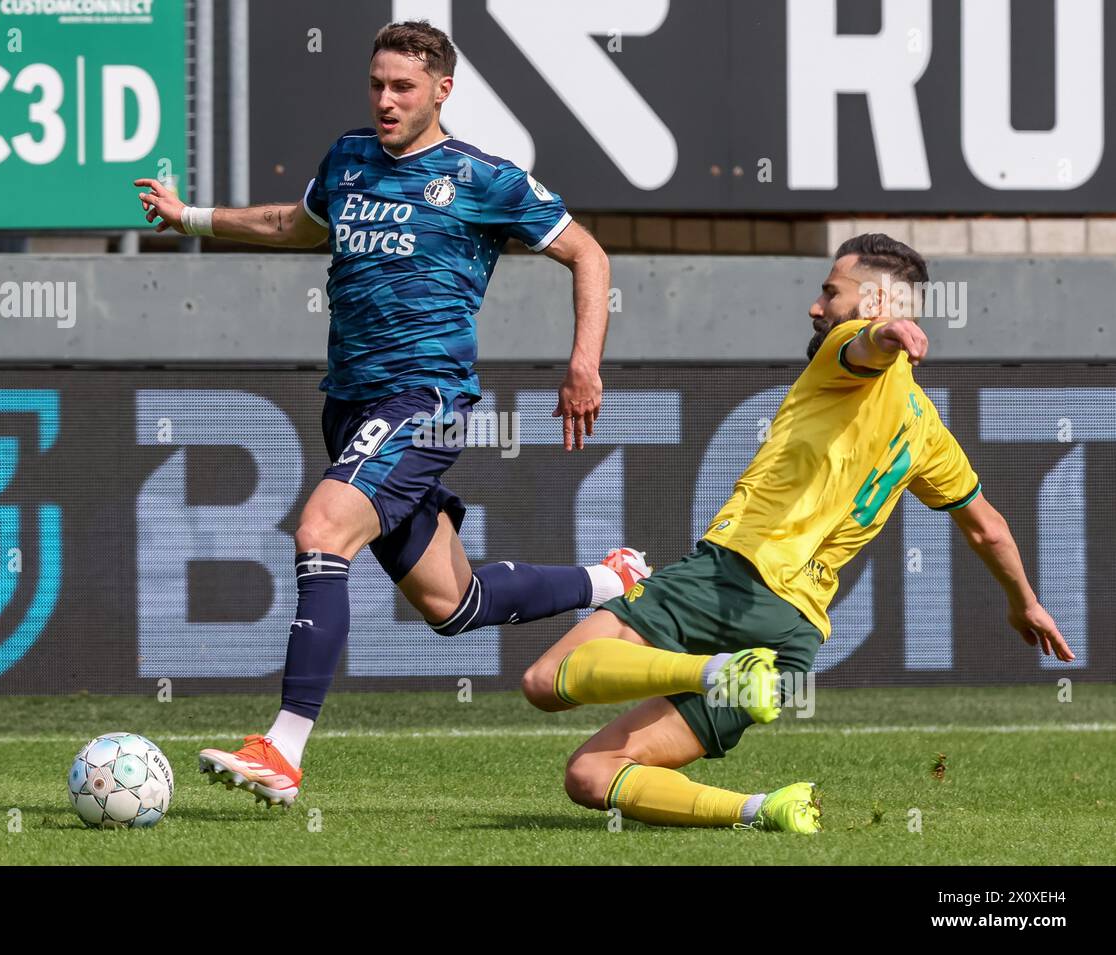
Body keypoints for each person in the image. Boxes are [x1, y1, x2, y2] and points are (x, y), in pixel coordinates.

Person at [135, 20, 650, 807]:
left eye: (403, 87)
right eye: (377, 83)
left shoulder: (483, 177)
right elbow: (289, 225)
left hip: (427, 400)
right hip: (349, 405)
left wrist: (584, 363)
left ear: (442, 90)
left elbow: (587, 252)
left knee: (320, 531)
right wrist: (192, 216)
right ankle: (606, 580)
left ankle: (284, 746)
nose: (385, 99)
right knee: (454, 604)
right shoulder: (347, 160)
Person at [520, 233, 1074, 833]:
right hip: (791, 637)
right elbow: (988, 529)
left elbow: (864, 345)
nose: (816, 306)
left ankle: (713, 671)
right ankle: (767, 809)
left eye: (830, 292)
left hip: (735, 575)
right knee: (593, 774)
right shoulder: (928, 430)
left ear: (873, 303)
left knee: (545, 681)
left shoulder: (840, 357)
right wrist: (1026, 603)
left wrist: (888, 335)